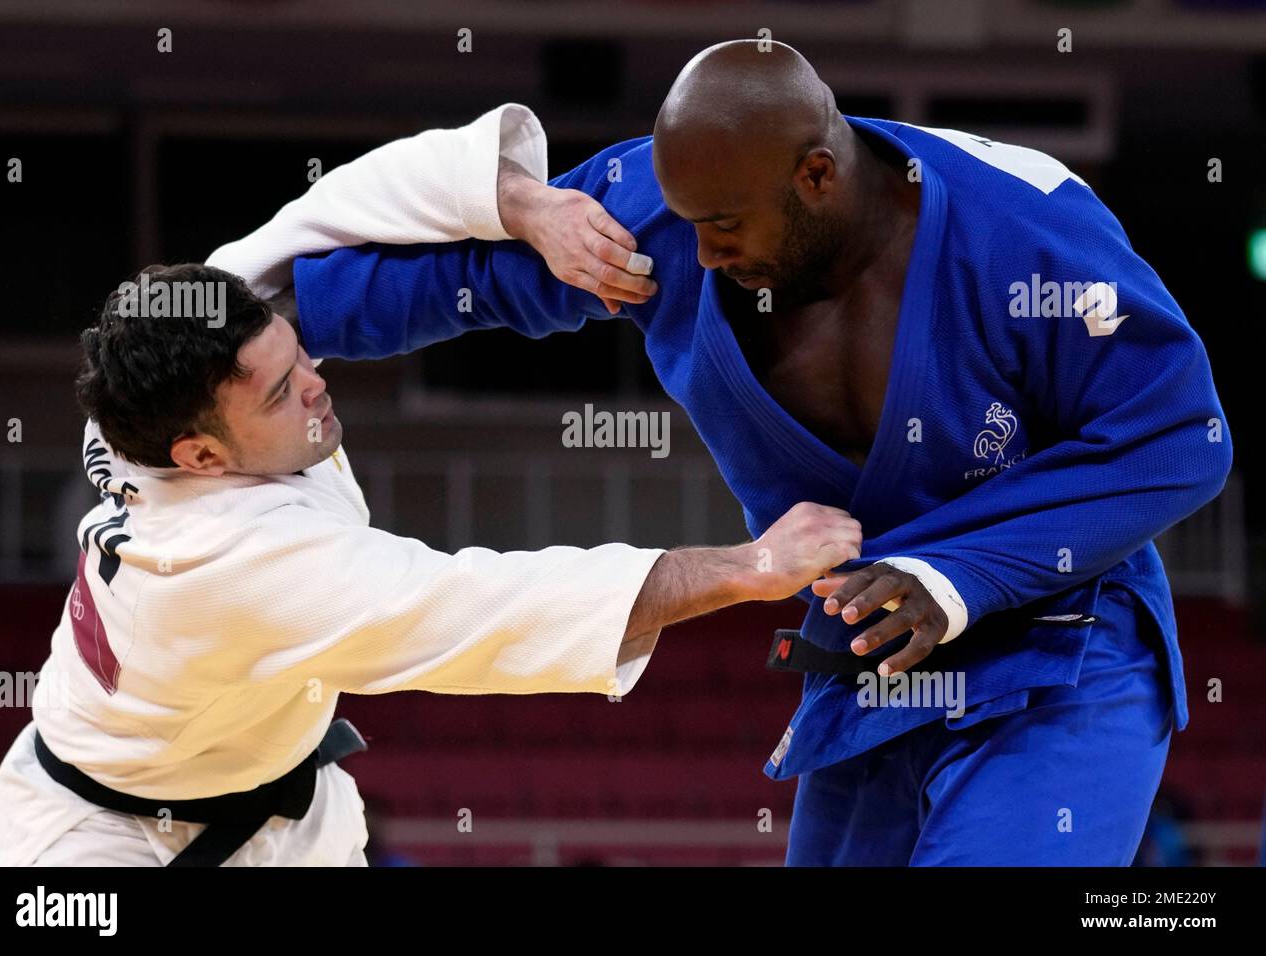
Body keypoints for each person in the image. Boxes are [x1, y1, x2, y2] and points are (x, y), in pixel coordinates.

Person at [274, 41, 1233, 865]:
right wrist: (265, 322)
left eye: (724, 229)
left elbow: (1179, 436)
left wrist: (955, 576)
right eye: (688, 225)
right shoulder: (677, 209)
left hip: (1059, 638)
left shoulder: (1027, 234)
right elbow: (475, 273)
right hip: (871, 654)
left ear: (816, 176)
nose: (699, 252)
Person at [0, 104, 863, 866]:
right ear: (202, 458)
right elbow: (486, 605)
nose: (316, 382)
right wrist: (746, 566)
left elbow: (329, 207)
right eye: (282, 392)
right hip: (95, 833)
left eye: (297, 357)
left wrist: (527, 207)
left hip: (281, 803)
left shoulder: (158, 374)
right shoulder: (235, 561)